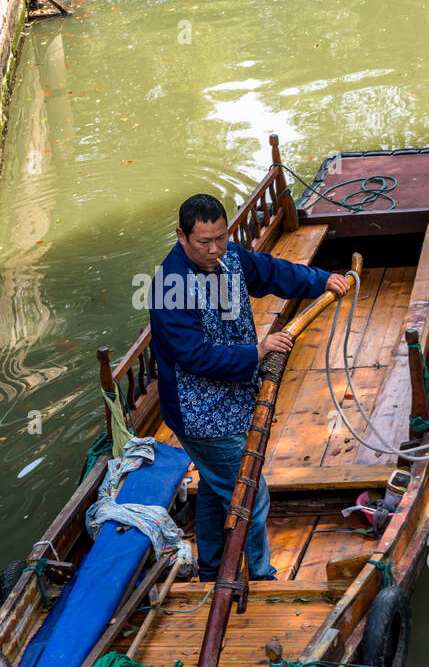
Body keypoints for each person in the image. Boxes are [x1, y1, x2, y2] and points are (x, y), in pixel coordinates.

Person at [149, 194, 351, 583]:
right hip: (200, 413)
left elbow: (272, 273)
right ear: (180, 237)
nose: (214, 249)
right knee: (250, 493)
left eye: (220, 238)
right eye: (203, 242)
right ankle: (260, 577)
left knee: (214, 485)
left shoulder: (230, 258)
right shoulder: (169, 288)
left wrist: (321, 279)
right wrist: (257, 352)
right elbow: (196, 357)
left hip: (237, 395)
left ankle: (210, 568)